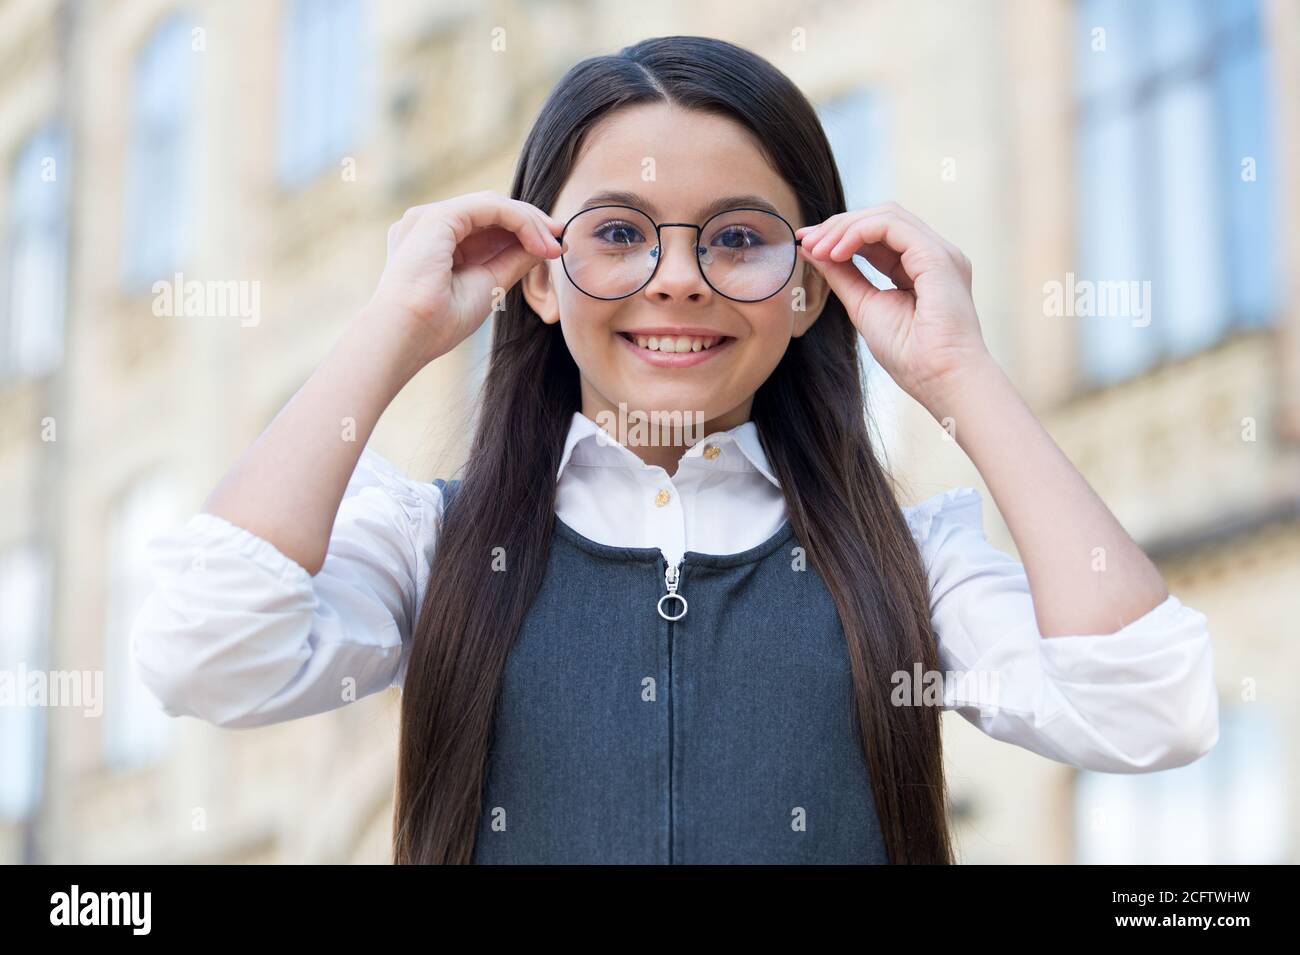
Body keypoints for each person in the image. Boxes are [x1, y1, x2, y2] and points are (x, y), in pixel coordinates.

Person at [130, 35, 1218, 864]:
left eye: (739, 237)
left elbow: (1147, 706)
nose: (677, 277)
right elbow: (203, 647)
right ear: (538, 277)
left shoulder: (903, 562)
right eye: (617, 233)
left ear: (808, 287)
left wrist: (958, 375)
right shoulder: (437, 545)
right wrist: (391, 330)